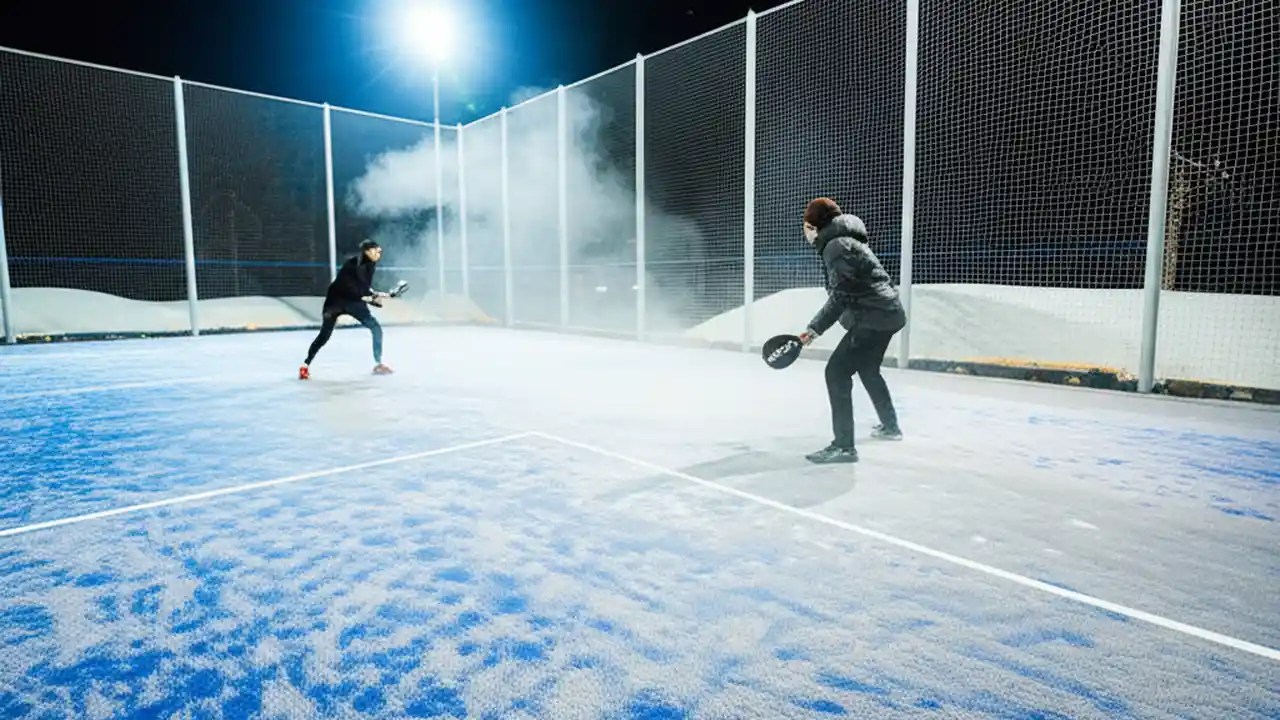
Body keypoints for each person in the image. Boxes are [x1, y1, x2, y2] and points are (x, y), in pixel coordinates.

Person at [796, 197, 906, 464]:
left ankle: (844, 446)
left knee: (836, 372)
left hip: (873, 318)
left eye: (806, 224)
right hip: (888, 313)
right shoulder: (846, 240)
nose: (805, 230)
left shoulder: (835, 245)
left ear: (814, 225)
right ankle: (890, 426)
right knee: (868, 369)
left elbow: (841, 295)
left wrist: (813, 329)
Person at [299, 239, 394, 379]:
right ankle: (305, 365)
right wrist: (371, 298)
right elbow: (352, 290)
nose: (379, 253)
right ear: (367, 251)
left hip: (353, 303)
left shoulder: (371, 265)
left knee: (376, 328)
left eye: (380, 251)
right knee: (324, 336)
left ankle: (378, 363)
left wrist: (374, 295)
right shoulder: (352, 265)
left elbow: (364, 287)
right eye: (376, 250)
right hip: (335, 303)